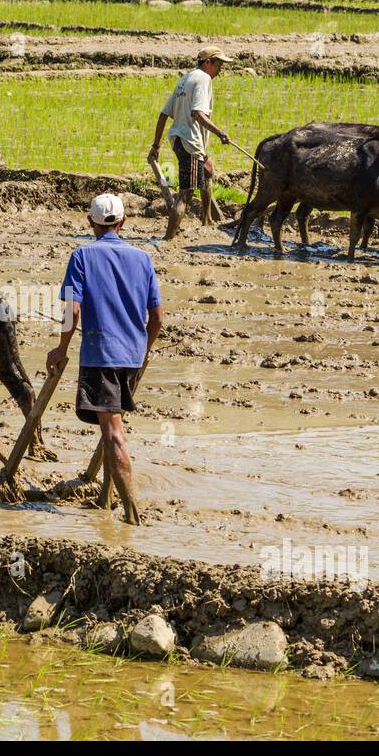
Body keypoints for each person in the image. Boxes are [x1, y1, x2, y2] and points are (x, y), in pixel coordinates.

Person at [47, 193, 163, 525]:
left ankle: (131, 513)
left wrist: (61, 348)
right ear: (123, 222)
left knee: (112, 432)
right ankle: (105, 498)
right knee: (109, 422)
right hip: (131, 355)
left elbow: (72, 308)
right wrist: (144, 351)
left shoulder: (81, 256)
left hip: (101, 355)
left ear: (90, 223)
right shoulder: (143, 259)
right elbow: (156, 318)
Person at [148, 46, 236, 238]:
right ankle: (168, 238)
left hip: (180, 140)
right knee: (185, 194)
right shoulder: (203, 79)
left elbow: (164, 114)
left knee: (207, 170)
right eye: (219, 64)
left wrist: (156, 145)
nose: (221, 69)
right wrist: (220, 133)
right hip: (190, 142)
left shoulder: (185, 79)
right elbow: (197, 113)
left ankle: (208, 219)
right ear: (207, 63)